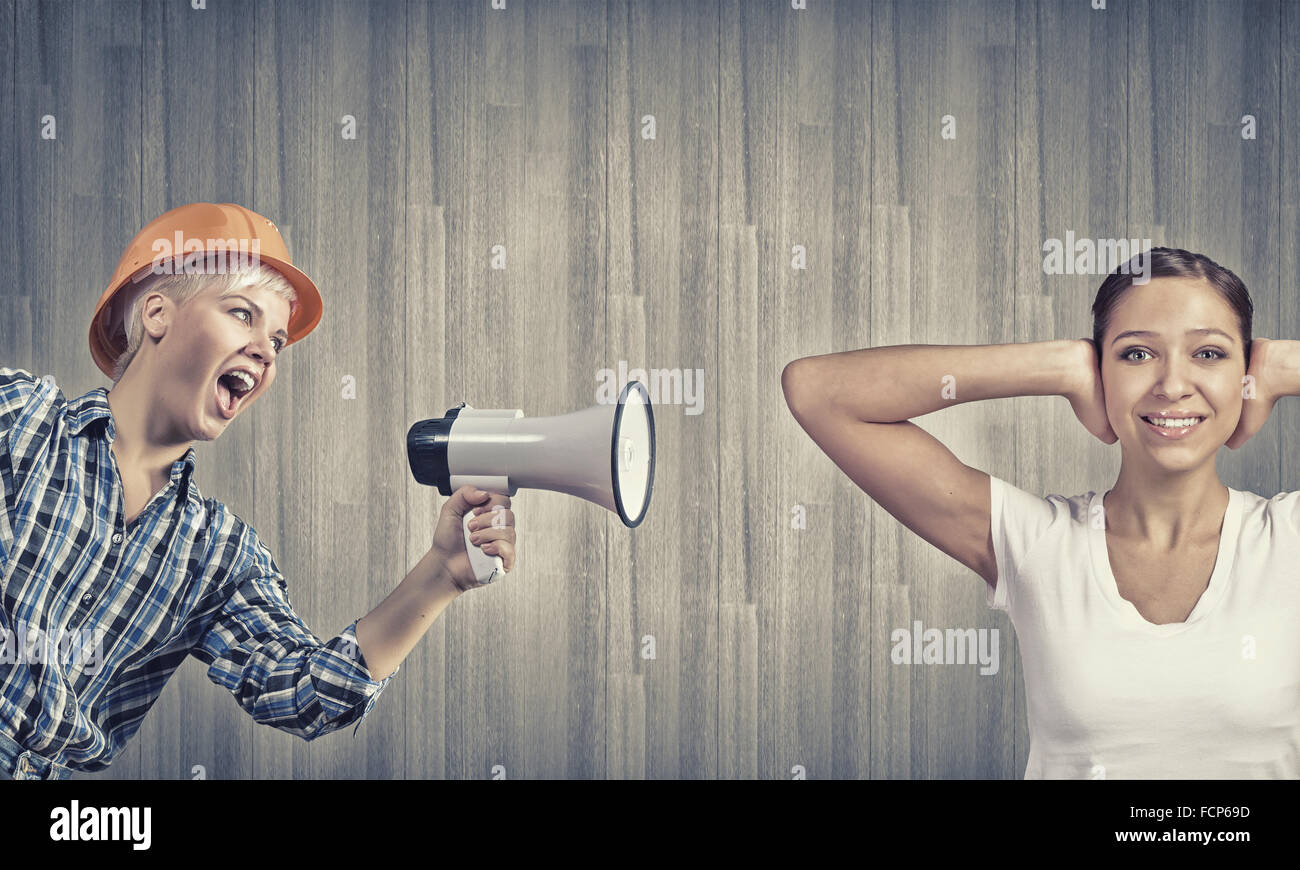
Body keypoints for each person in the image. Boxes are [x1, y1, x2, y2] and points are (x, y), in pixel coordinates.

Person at [0, 202, 516, 780]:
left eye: (277, 340)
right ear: (156, 314)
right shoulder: (21, 419)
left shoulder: (218, 555)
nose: (267, 351)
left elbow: (305, 694)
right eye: (242, 314)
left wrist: (441, 573)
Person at [781, 246, 1300, 778]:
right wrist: (1060, 365)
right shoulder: (1037, 544)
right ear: (1100, 372)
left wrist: (1285, 368)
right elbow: (817, 392)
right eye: (1136, 354)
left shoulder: (1288, 541)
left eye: (1209, 354)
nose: (1171, 385)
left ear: (1246, 372)